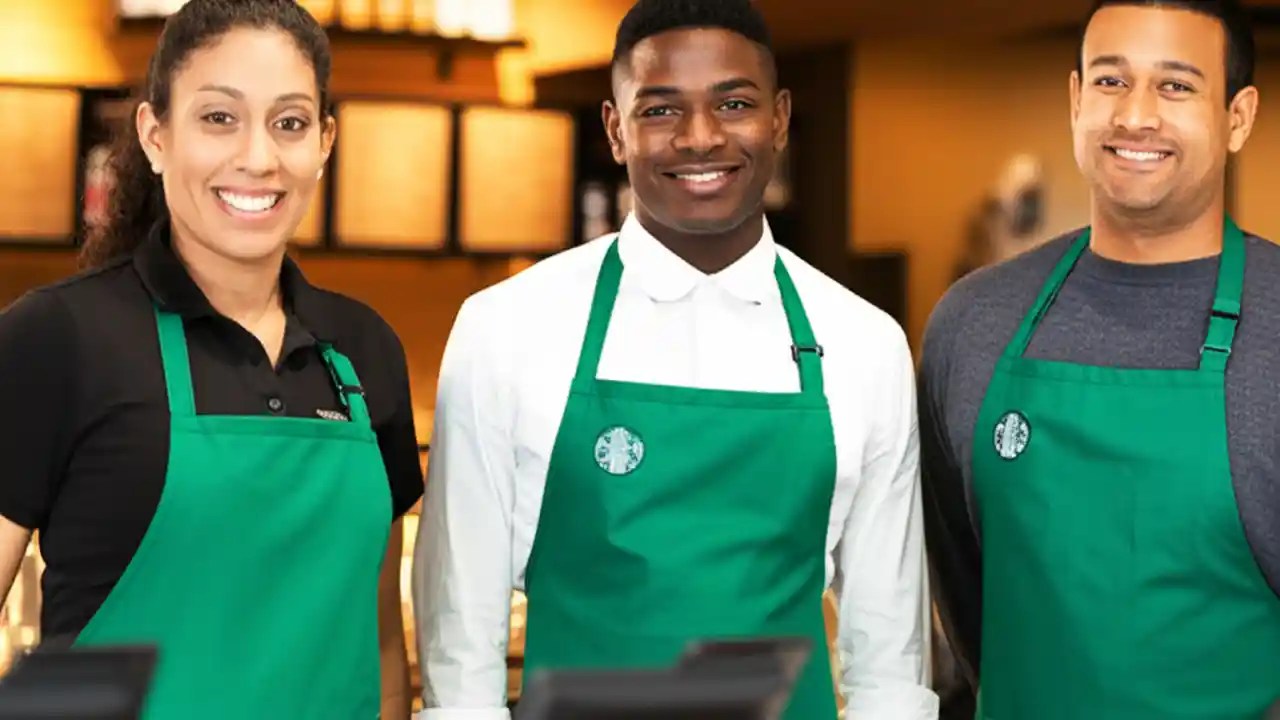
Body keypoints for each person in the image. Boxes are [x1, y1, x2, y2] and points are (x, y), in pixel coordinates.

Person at [412, 1, 938, 718]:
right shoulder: (505, 330)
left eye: (734, 103)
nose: (700, 137)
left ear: (779, 118)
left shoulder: (865, 344)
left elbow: (889, 665)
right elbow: (459, 647)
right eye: (661, 111)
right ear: (615, 130)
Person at [0, 1, 424, 717]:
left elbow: (381, 648)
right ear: (155, 134)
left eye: (289, 123)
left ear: (324, 141)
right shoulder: (55, 338)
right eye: (219, 118)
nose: (257, 157)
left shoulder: (364, 350)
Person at [919, 1, 1280, 717]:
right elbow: (963, 592)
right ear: (1076, 99)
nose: (1136, 116)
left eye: (1175, 86)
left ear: (1238, 117)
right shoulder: (973, 322)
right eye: (1111, 82)